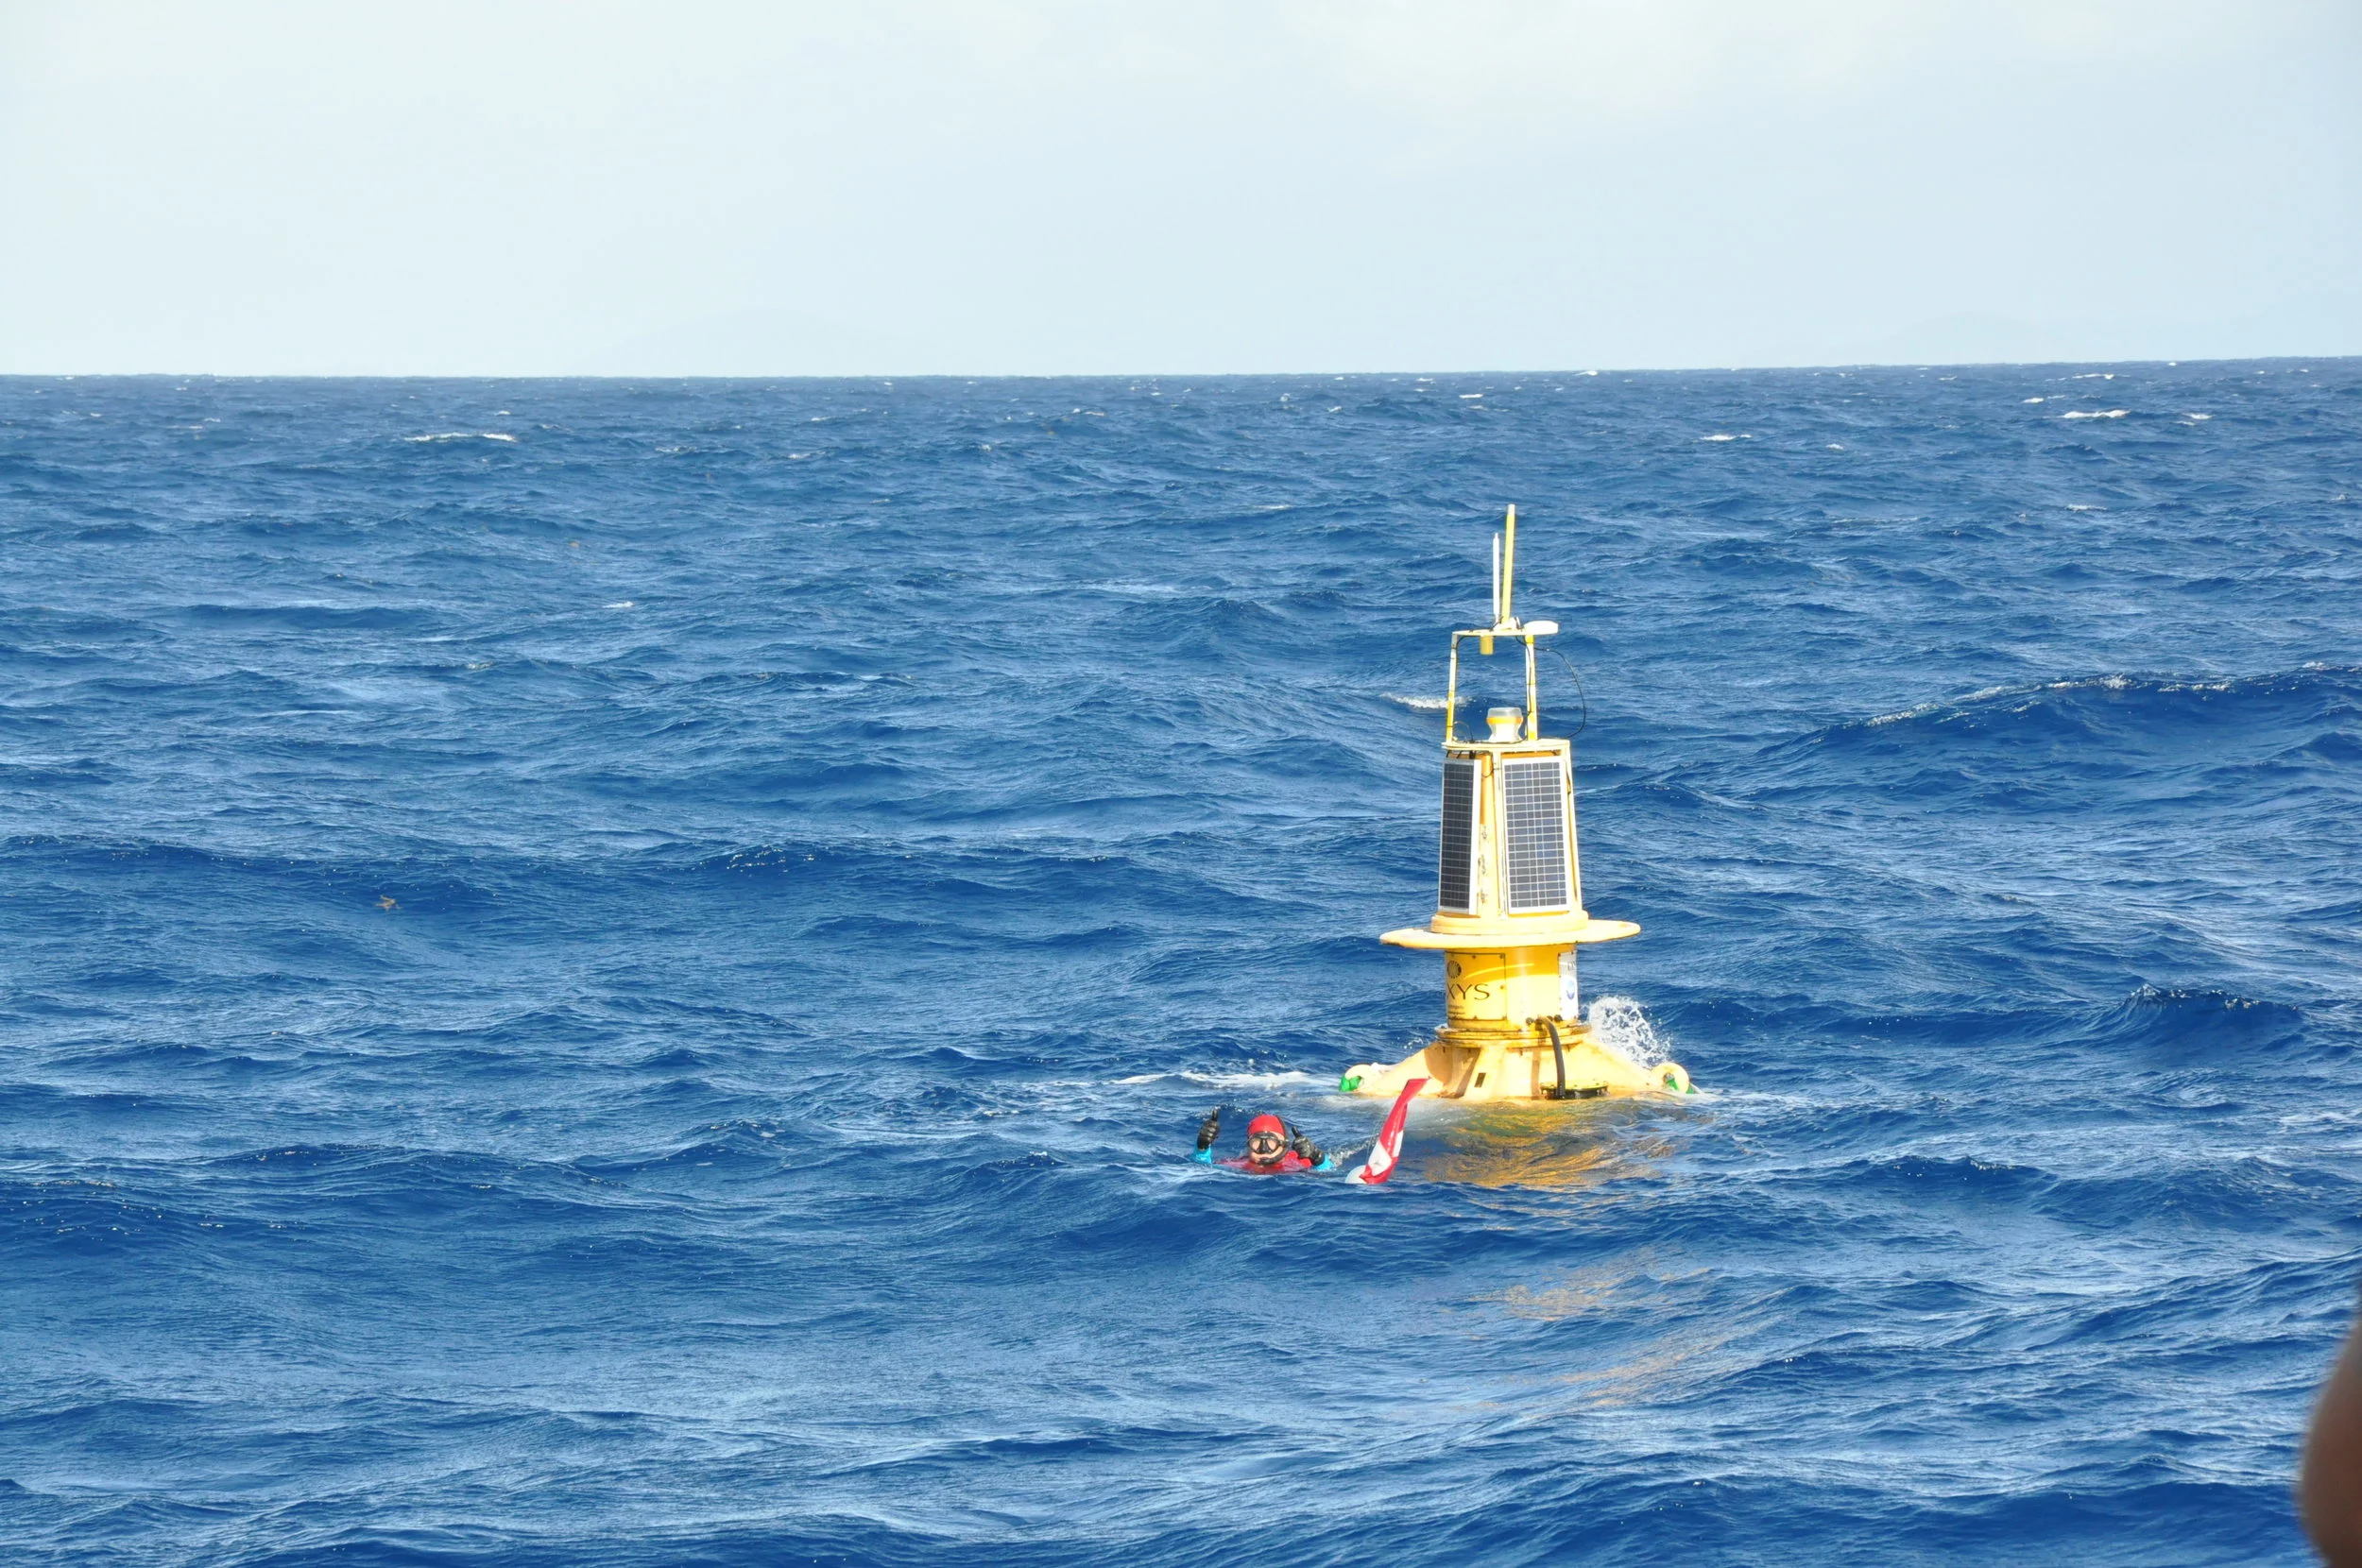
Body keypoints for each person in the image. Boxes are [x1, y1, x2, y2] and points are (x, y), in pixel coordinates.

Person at [1191, 1107, 1333, 1173]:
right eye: (1257, 1142)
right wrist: (1202, 1147)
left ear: (1284, 1145)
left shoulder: (1299, 1160)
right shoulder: (1235, 1165)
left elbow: (1329, 1171)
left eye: (1271, 1143)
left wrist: (1316, 1156)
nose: (1263, 1149)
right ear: (1248, 1146)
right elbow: (1202, 1168)